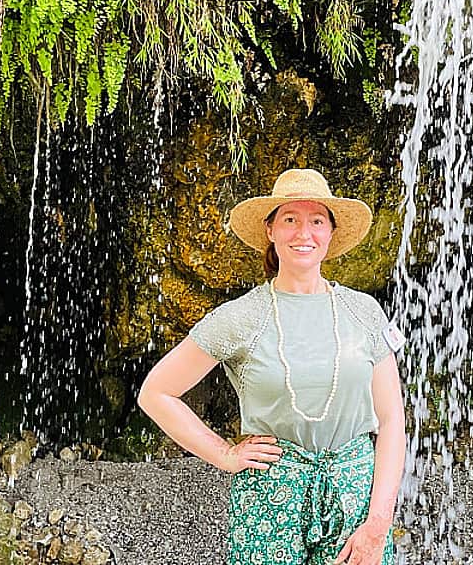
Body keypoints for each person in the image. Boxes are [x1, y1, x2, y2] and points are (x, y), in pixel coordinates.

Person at [138, 168, 406, 565]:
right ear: (271, 230)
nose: (304, 233)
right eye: (290, 220)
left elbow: (392, 420)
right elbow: (156, 393)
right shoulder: (242, 317)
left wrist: (378, 523)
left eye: (317, 221)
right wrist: (223, 454)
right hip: (270, 496)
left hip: (355, 494)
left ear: (331, 233)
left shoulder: (364, 312)